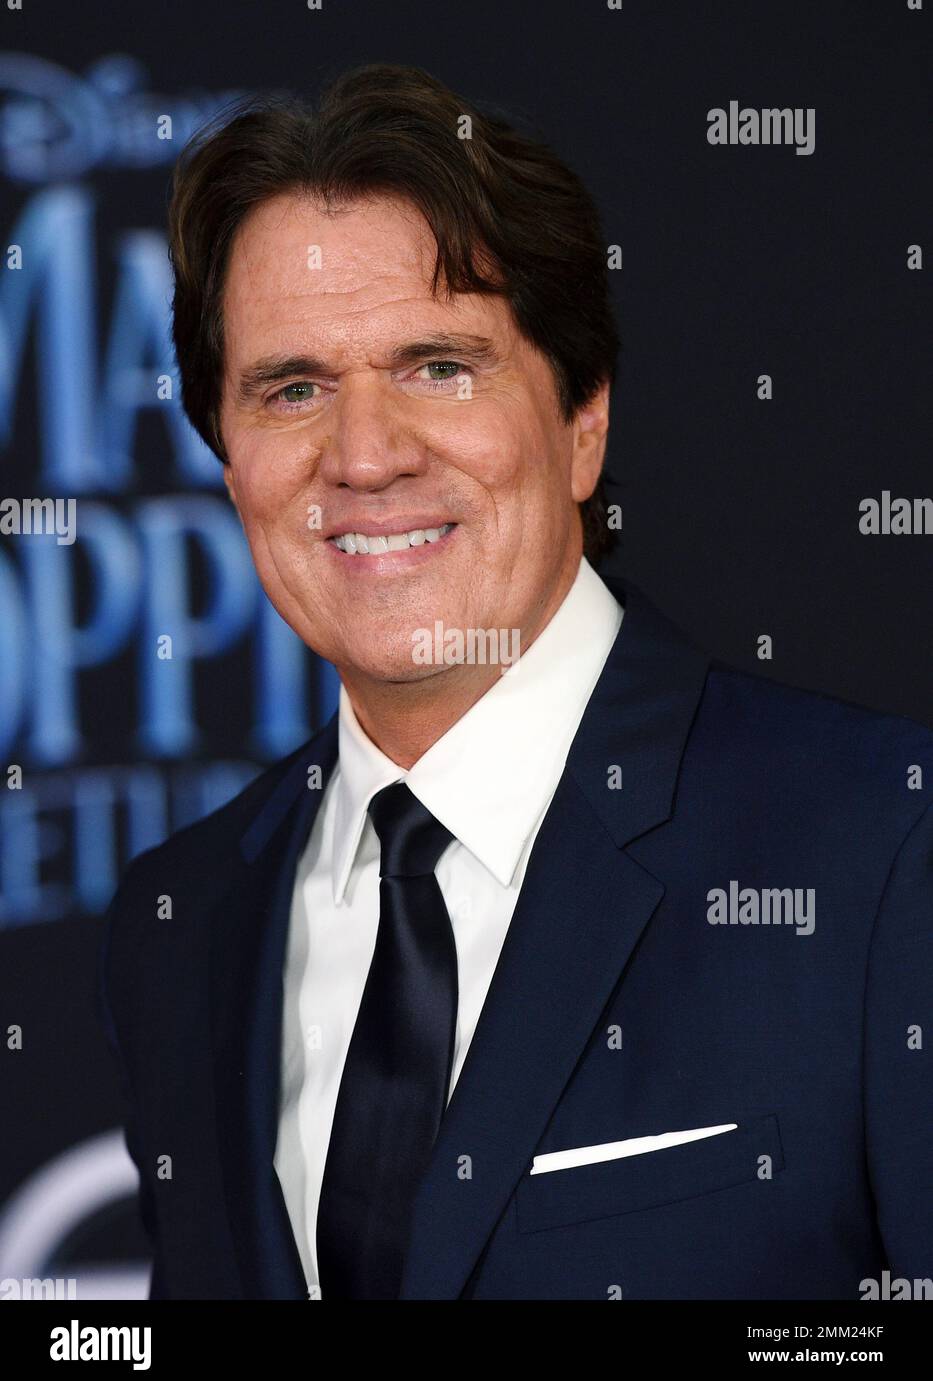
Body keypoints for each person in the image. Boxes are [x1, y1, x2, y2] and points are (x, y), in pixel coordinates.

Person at [97, 62, 933, 1300]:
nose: (366, 455)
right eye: (293, 389)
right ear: (229, 464)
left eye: (439, 365)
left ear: (584, 416)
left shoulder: (884, 852)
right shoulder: (182, 924)